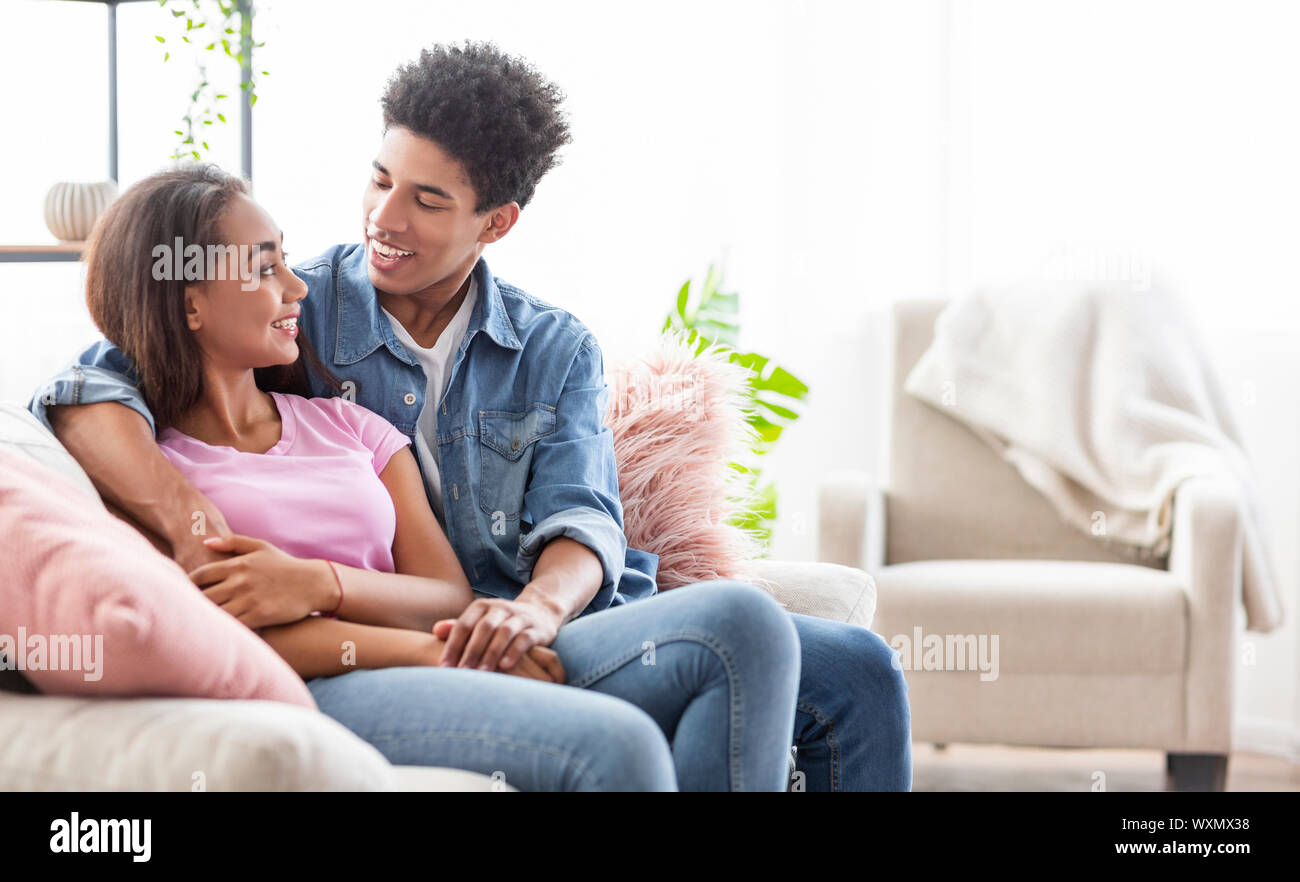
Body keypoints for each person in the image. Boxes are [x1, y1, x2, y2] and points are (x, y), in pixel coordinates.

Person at [32, 41, 909, 791]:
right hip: (407, 637)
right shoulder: (298, 309)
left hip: (551, 618)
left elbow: (581, 519)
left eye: (427, 199)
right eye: (379, 180)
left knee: (856, 670)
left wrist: (534, 609)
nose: (385, 217)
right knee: (693, 679)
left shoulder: (550, 346)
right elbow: (104, 375)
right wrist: (192, 526)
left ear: (498, 221)